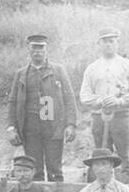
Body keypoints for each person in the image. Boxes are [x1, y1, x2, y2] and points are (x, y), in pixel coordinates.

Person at [6, 34, 78, 181]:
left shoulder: (58, 70)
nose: (37, 51)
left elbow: (69, 99)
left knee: (55, 170)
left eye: (41, 47)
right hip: (30, 128)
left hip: (53, 127)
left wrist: (71, 125)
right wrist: (11, 127)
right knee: (34, 169)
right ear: (28, 49)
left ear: (46, 50)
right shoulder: (21, 74)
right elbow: (12, 102)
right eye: (34, 47)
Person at [79, 28, 129, 183]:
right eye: (104, 41)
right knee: (100, 158)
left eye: (111, 41)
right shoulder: (92, 68)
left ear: (117, 42)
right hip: (99, 117)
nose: (108, 44)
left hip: (122, 117)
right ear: (99, 44)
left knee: (127, 159)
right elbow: (84, 96)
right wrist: (100, 101)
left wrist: (118, 102)